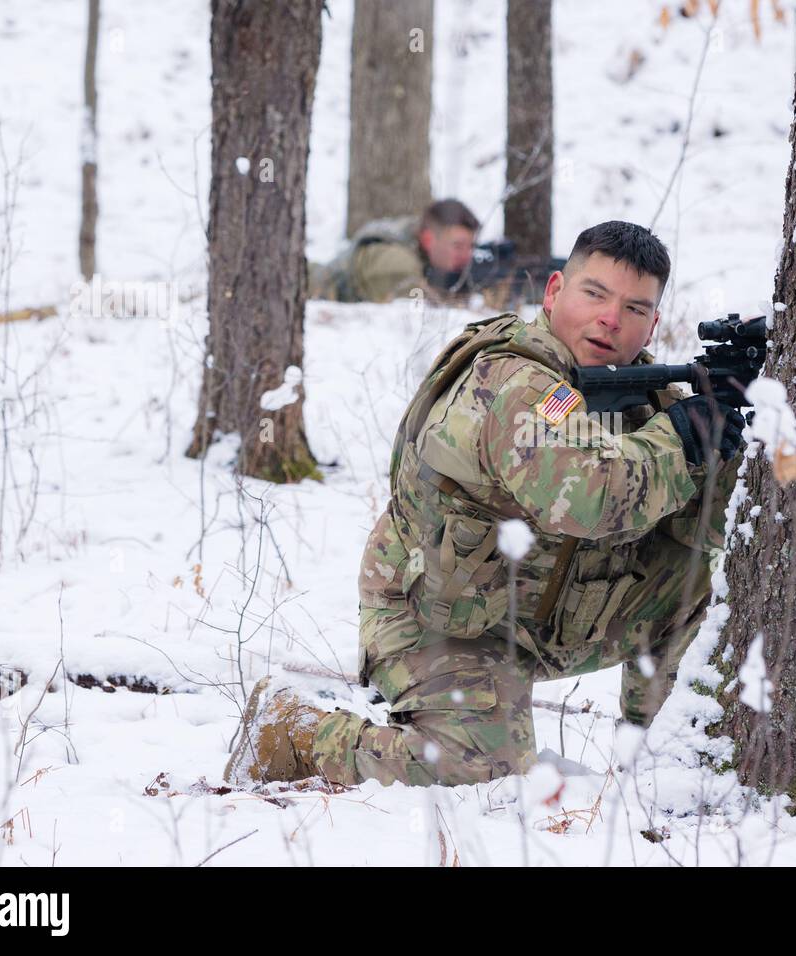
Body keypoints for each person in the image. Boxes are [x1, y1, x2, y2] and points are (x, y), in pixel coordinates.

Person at [225, 221, 746, 789]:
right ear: (553, 293)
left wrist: (730, 436)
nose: (611, 319)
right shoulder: (513, 381)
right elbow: (588, 496)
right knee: (482, 773)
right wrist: (682, 439)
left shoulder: (642, 396)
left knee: (702, 576)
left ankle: (664, 752)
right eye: (594, 294)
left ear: (654, 322)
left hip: (540, 611)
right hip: (435, 618)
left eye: (634, 307)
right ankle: (293, 734)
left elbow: (710, 533)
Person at [308, 198, 479, 304]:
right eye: (457, 246)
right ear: (428, 240)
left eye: (471, 246)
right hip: (305, 289)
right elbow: (416, 312)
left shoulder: (415, 236)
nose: (467, 255)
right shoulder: (399, 265)